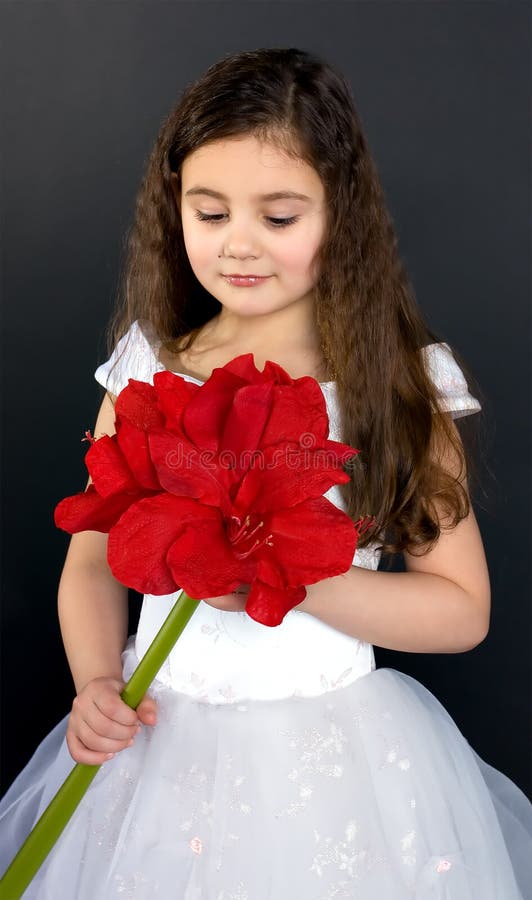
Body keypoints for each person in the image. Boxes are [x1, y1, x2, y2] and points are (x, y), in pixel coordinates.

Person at [1, 46, 531, 899]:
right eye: (209, 213)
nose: (238, 245)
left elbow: (461, 610)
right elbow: (93, 562)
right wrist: (97, 680)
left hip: (332, 762)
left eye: (278, 219)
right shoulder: (149, 369)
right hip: (159, 741)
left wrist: (280, 579)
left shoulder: (390, 387)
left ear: (341, 217)